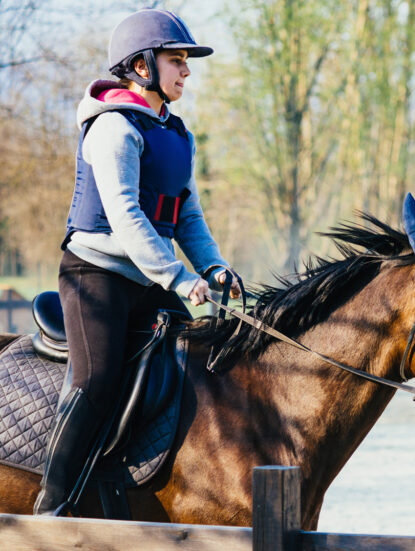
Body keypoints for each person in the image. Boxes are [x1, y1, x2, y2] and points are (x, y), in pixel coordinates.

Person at [34, 9, 241, 515]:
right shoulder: (113, 128)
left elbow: (187, 214)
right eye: (177, 60)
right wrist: (179, 277)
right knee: (96, 380)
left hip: (147, 280)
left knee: (197, 366)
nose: (186, 70)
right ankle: (51, 505)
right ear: (142, 66)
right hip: (95, 277)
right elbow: (126, 217)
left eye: (186, 62)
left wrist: (213, 267)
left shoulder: (177, 133)